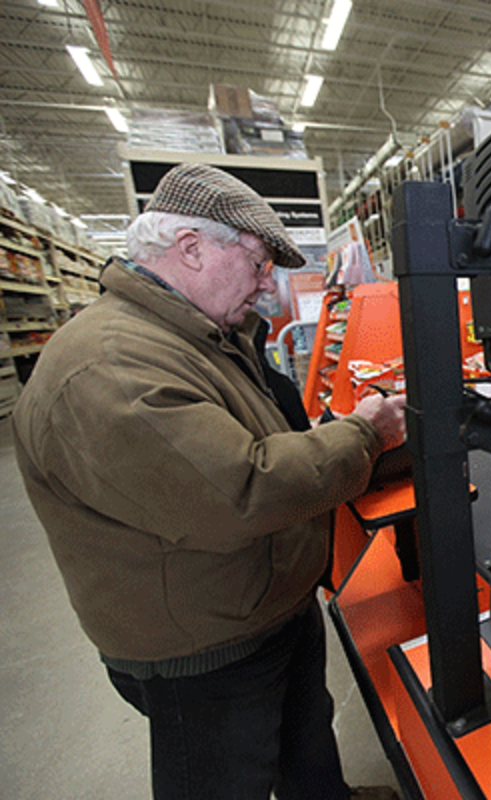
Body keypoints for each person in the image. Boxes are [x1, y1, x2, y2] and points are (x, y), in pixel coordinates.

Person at [12, 163, 406, 800]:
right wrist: (364, 435)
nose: (267, 284)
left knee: (305, 744)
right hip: (205, 645)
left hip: (260, 603)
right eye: (256, 264)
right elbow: (240, 488)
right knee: (224, 777)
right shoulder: (112, 365)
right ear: (190, 248)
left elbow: (267, 436)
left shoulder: (197, 336)